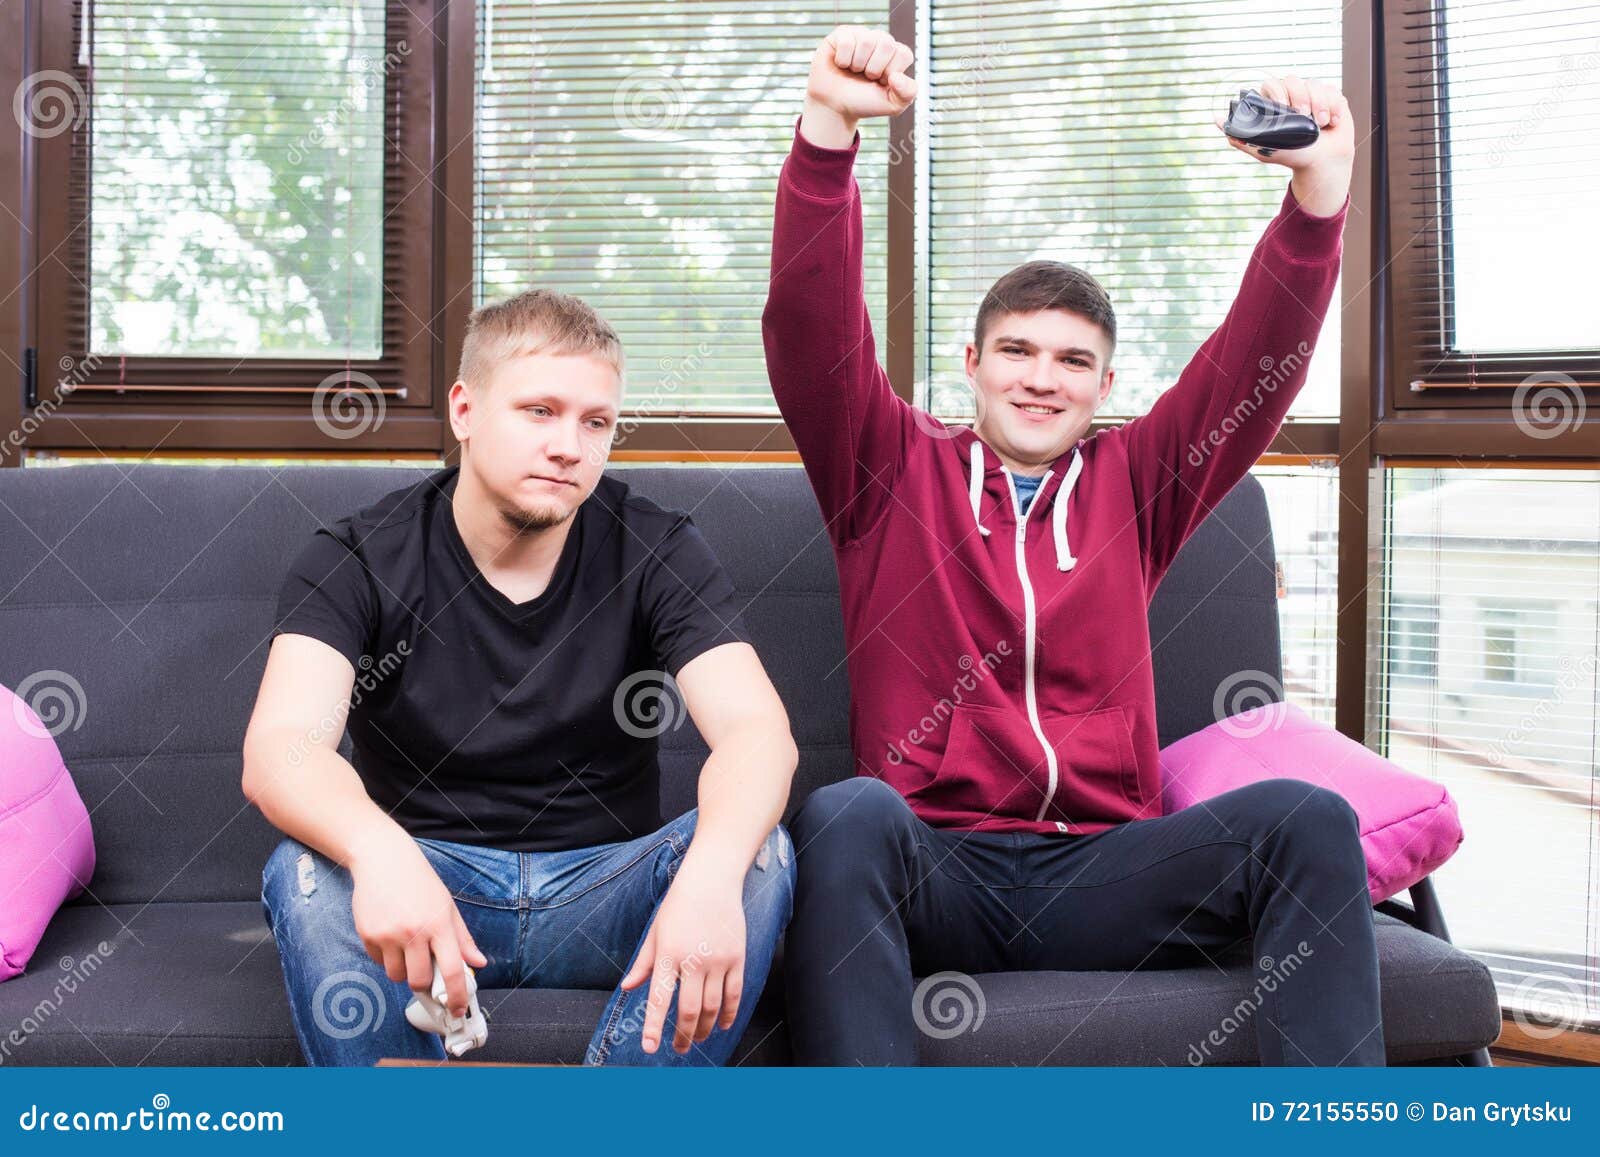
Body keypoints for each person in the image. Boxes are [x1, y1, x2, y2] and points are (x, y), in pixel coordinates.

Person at [764, 26, 1382, 1066]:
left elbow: (1252, 364)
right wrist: (827, 133)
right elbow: (809, 332)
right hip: (938, 870)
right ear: (971, 362)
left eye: (1072, 360)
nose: (1041, 378)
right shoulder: (885, 467)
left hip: (1105, 872)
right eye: (1017, 350)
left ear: (1104, 384)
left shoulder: (1140, 482)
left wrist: (1318, 198)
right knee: (843, 815)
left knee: (1308, 818)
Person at [245, 288, 797, 1066]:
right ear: (464, 410)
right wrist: (377, 849)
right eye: (540, 411)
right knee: (306, 870)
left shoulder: (656, 546)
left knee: (759, 851)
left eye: (596, 422)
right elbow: (281, 748)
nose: (569, 446)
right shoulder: (357, 554)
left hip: (606, 897)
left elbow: (756, 732)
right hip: (427, 892)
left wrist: (710, 872)